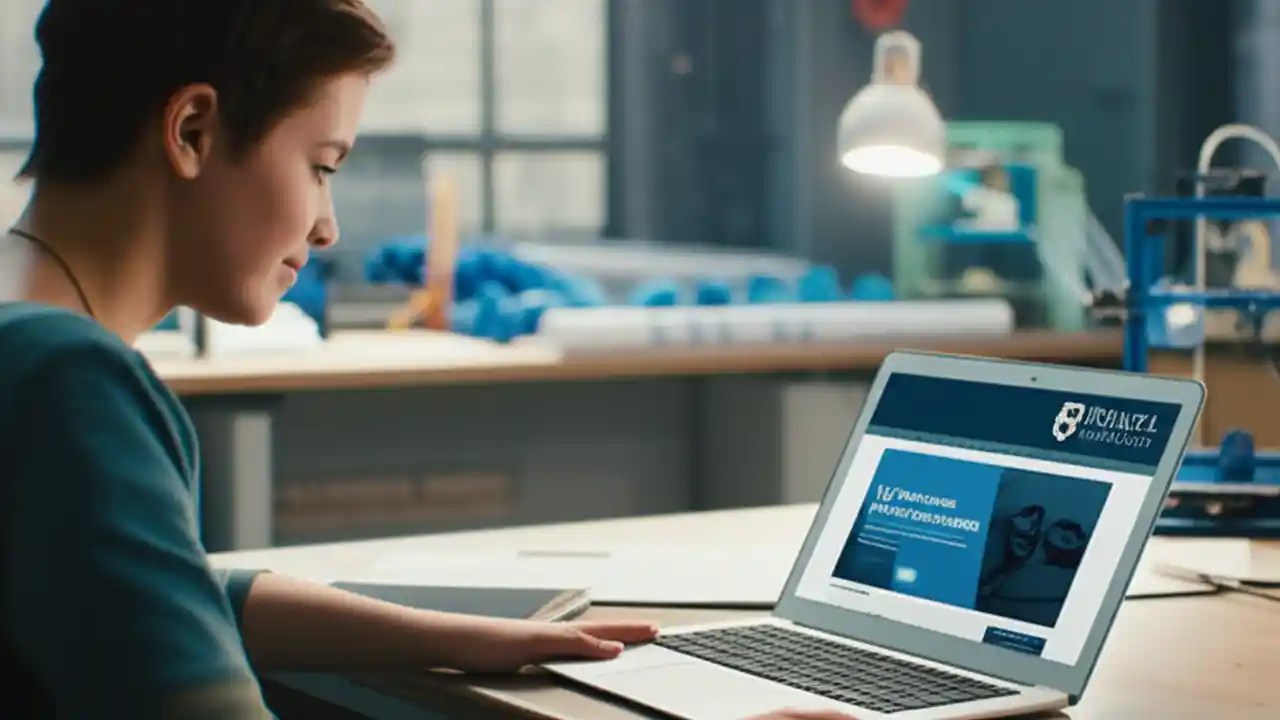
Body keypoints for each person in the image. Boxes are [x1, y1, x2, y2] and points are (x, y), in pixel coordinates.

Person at [0, 2, 858, 718]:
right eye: (321, 165)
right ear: (191, 130)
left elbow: (151, 594)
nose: (327, 225)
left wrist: (445, 632)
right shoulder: (67, 386)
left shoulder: (24, 330)